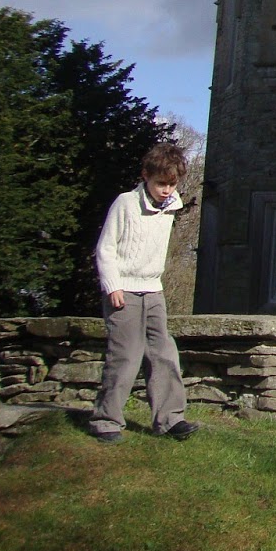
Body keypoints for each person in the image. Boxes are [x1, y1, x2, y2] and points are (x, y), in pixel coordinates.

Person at [87, 141, 198, 443]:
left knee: (164, 354)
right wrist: (113, 286)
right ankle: (106, 420)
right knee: (125, 356)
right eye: (161, 183)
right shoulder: (125, 203)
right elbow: (106, 248)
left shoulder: (172, 205)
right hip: (123, 292)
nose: (166, 189)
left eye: (171, 184)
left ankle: (170, 419)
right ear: (145, 175)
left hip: (153, 291)